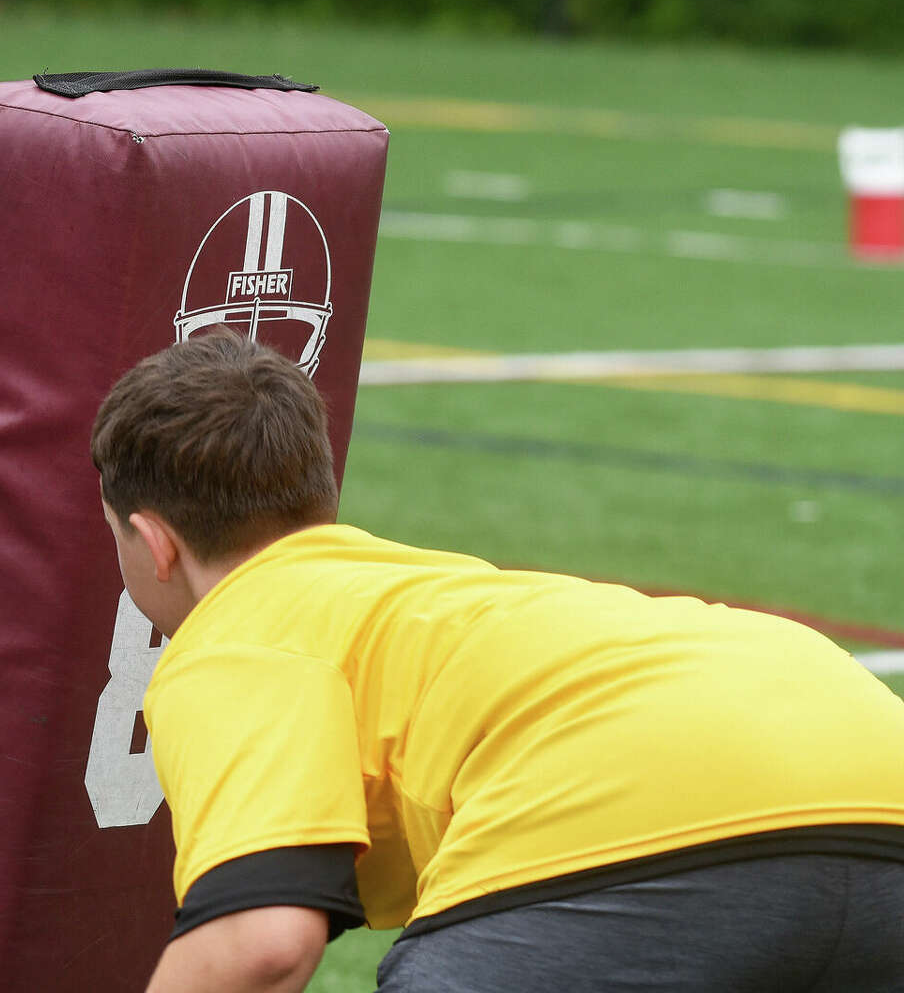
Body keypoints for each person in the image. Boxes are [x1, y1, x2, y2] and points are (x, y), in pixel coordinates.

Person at [88, 334, 904, 993]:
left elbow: (260, 945)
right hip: (869, 759)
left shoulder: (237, 635)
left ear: (155, 543)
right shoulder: (426, 594)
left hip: (646, 817)